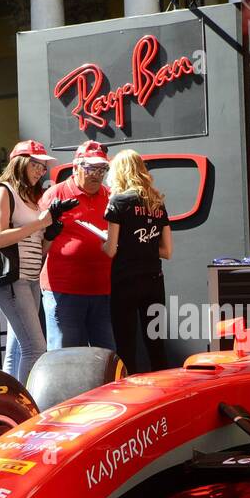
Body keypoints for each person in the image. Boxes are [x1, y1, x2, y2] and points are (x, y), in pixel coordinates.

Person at [0, 140, 68, 385]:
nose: (40, 172)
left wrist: (50, 234)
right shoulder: (4, 191)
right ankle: (27, 407)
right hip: (12, 279)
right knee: (35, 347)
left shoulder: (32, 198)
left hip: (30, 279)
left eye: (43, 168)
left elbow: (37, 248)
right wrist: (40, 224)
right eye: (36, 165)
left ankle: (12, 402)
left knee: (18, 349)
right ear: (20, 163)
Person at [38, 140, 115, 350]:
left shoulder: (109, 197)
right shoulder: (56, 195)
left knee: (106, 356)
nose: (96, 174)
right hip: (63, 289)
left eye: (102, 169)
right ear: (76, 167)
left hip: (100, 289)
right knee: (64, 355)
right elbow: (36, 239)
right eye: (91, 168)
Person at [104, 149, 172, 373]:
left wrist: (102, 243)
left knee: (126, 345)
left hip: (126, 281)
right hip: (154, 280)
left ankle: (130, 396)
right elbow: (167, 251)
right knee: (156, 344)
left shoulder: (118, 201)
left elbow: (110, 249)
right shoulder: (157, 202)